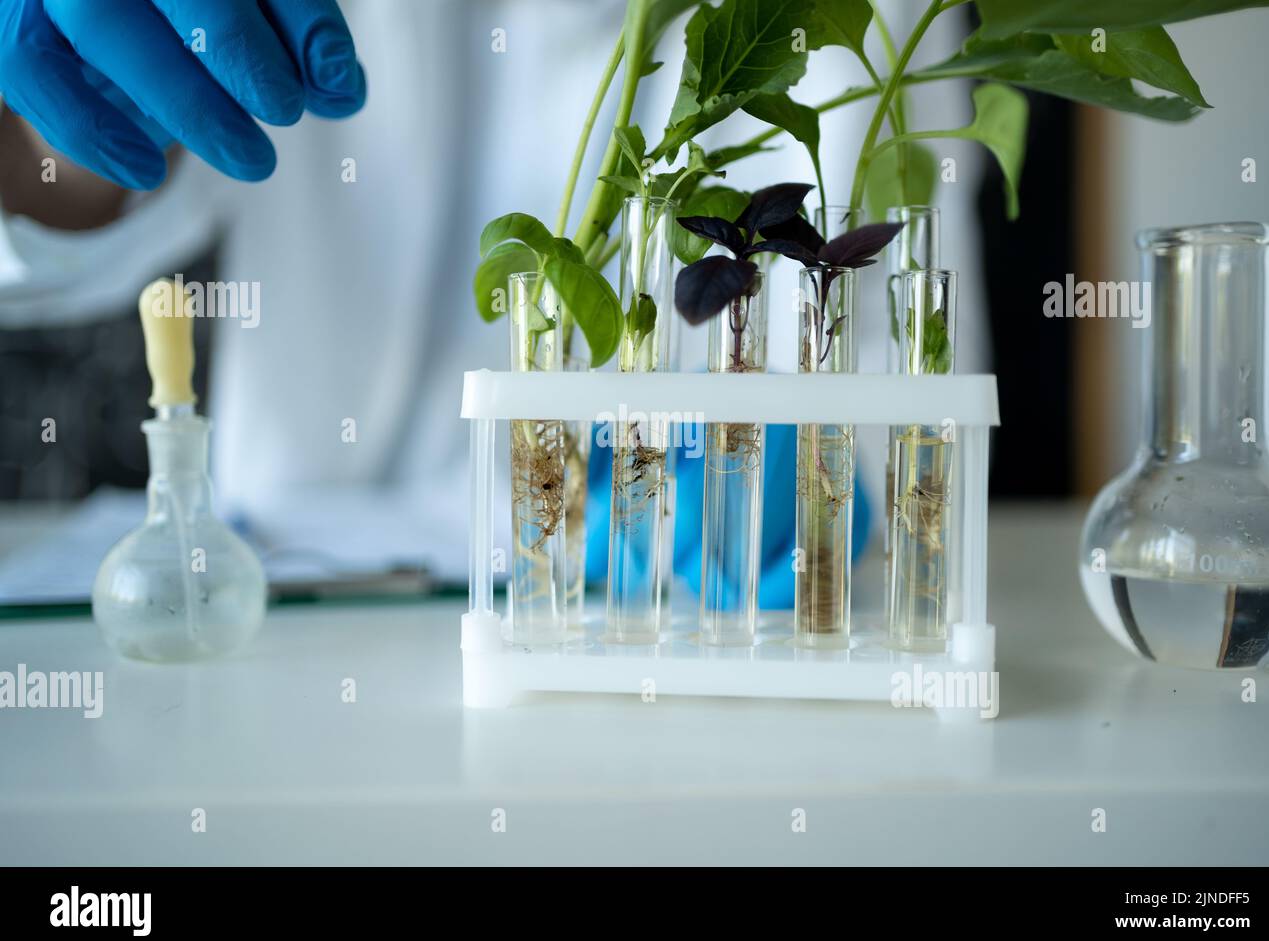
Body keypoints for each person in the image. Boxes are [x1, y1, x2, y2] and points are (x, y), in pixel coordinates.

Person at [2, 0, 985, 598]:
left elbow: (907, 381)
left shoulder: (866, 25)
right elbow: (68, 235)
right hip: (315, 608)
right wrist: (61, 119)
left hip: (677, 633)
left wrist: (815, 480)